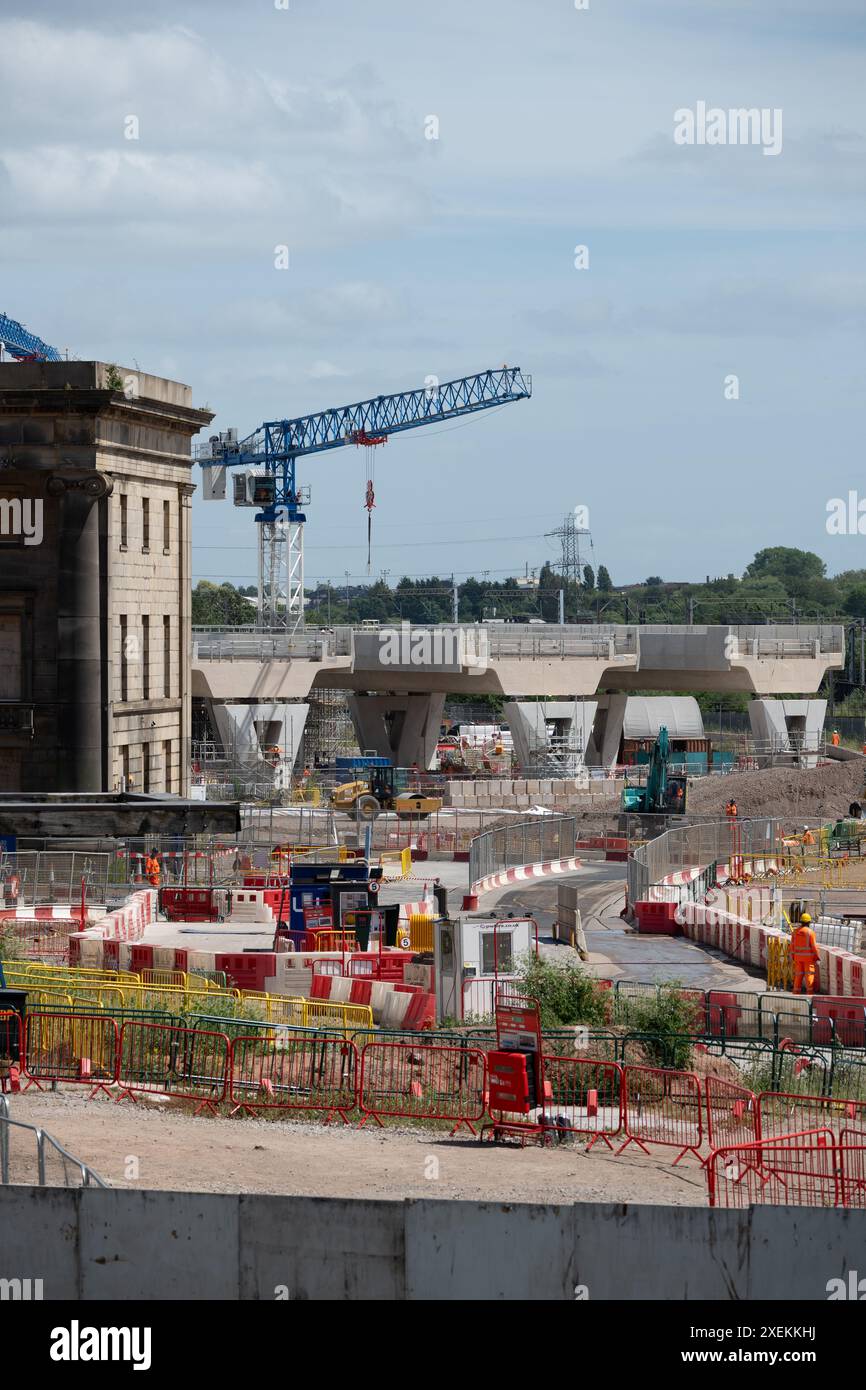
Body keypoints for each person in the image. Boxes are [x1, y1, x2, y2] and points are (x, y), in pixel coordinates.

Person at [791, 912, 820, 996]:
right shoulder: (810, 933)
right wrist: (817, 956)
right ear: (809, 922)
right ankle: (809, 994)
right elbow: (814, 946)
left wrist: (793, 956)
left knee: (798, 975)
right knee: (809, 975)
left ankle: (796, 993)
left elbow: (792, 946)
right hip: (808, 959)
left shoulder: (795, 932)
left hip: (797, 958)